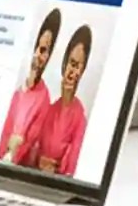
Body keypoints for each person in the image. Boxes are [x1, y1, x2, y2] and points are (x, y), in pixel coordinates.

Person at [0, 8, 61, 165]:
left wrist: (12, 154)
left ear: (49, 55)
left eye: (44, 50)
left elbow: (28, 141)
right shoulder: (18, 89)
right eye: (37, 48)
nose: (38, 54)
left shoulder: (44, 98)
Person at [30, 26, 93, 178]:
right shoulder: (49, 109)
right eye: (72, 63)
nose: (73, 72)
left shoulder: (80, 121)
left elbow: (71, 170)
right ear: (64, 64)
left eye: (79, 67)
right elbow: (32, 150)